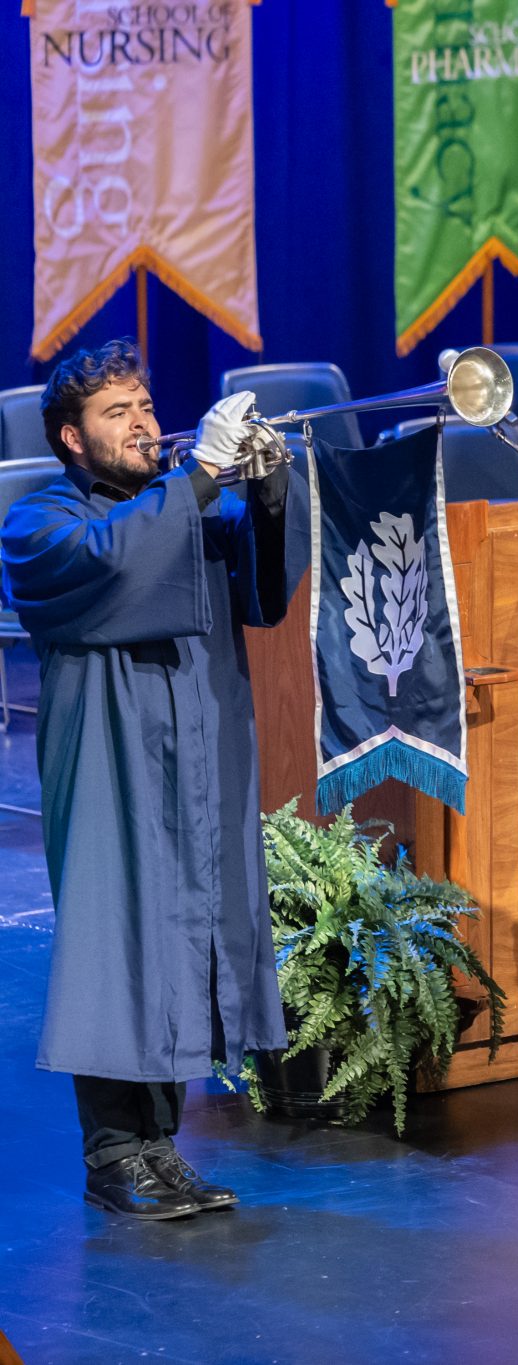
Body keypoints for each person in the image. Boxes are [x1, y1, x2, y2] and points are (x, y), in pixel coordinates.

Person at [0, 339, 306, 1221]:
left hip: (199, 755)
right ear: (70, 437)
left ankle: (160, 1148)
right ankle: (111, 1156)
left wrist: (269, 488)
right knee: (116, 943)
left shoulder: (182, 501)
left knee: (184, 934)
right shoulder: (36, 521)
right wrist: (203, 477)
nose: (142, 424)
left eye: (145, 405)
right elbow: (110, 562)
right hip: (108, 756)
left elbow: (261, 592)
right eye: (116, 413)